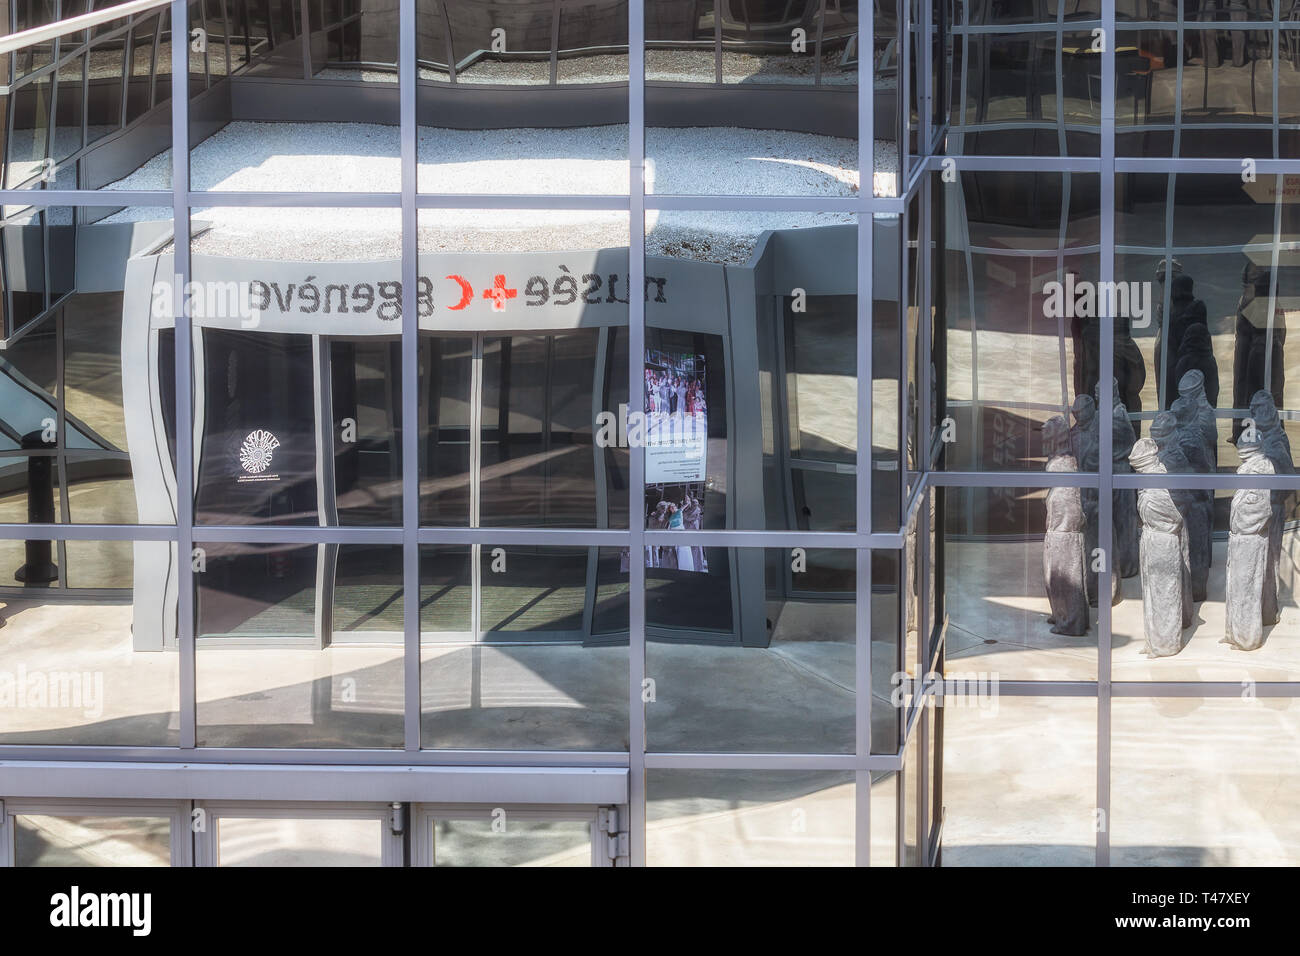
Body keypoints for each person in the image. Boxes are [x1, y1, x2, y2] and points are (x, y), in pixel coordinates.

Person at [1131, 438, 1190, 657]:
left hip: (1162, 545)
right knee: (1152, 595)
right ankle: (1154, 641)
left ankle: (1165, 644)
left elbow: (1174, 517)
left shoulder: (1157, 484)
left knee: (1165, 595)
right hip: (1152, 541)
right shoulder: (1147, 481)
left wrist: (1157, 531)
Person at [1224, 435, 1275, 651]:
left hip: (1249, 539)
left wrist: (1241, 528)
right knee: (1235, 587)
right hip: (1240, 538)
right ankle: (1234, 632)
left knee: (1246, 589)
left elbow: (1260, 510)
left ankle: (1246, 638)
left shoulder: (1259, 470)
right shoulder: (1249, 468)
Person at [1042, 417, 1089, 636]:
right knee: (1054, 575)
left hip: (1064, 532)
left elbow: (1072, 508)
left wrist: (1063, 528)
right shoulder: (1058, 462)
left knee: (1066, 577)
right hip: (1057, 530)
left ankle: (1070, 620)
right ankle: (1060, 612)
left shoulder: (1065, 468)